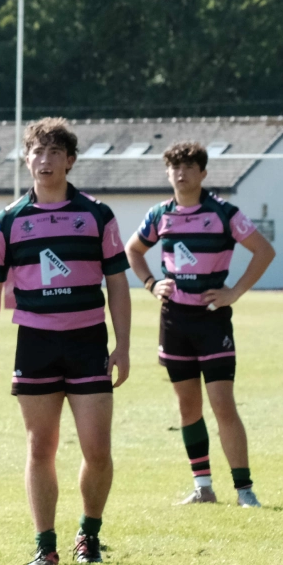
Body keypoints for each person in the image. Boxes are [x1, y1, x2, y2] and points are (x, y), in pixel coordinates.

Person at [0, 118, 132, 565]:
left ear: (70, 160)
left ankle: (89, 534)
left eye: (54, 153)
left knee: (96, 449)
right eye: (36, 152)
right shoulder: (9, 220)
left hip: (87, 342)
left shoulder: (96, 215)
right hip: (36, 345)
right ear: (27, 159)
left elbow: (118, 284)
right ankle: (46, 547)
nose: (44, 160)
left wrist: (122, 344)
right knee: (39, 448)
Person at [125, 141, 275, 508]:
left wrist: (234, 292)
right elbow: (133, 250)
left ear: (203, 173)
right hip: (174, 320)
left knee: (223, 404)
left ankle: (244, 490)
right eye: (175, 166)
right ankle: (203, 487)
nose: (181, 172)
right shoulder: (159, 214)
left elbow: (264, 250)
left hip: (211, 321)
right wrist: (149, 283)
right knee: (188, 407)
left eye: (189, 166)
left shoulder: (224, 212)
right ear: (167, 173)